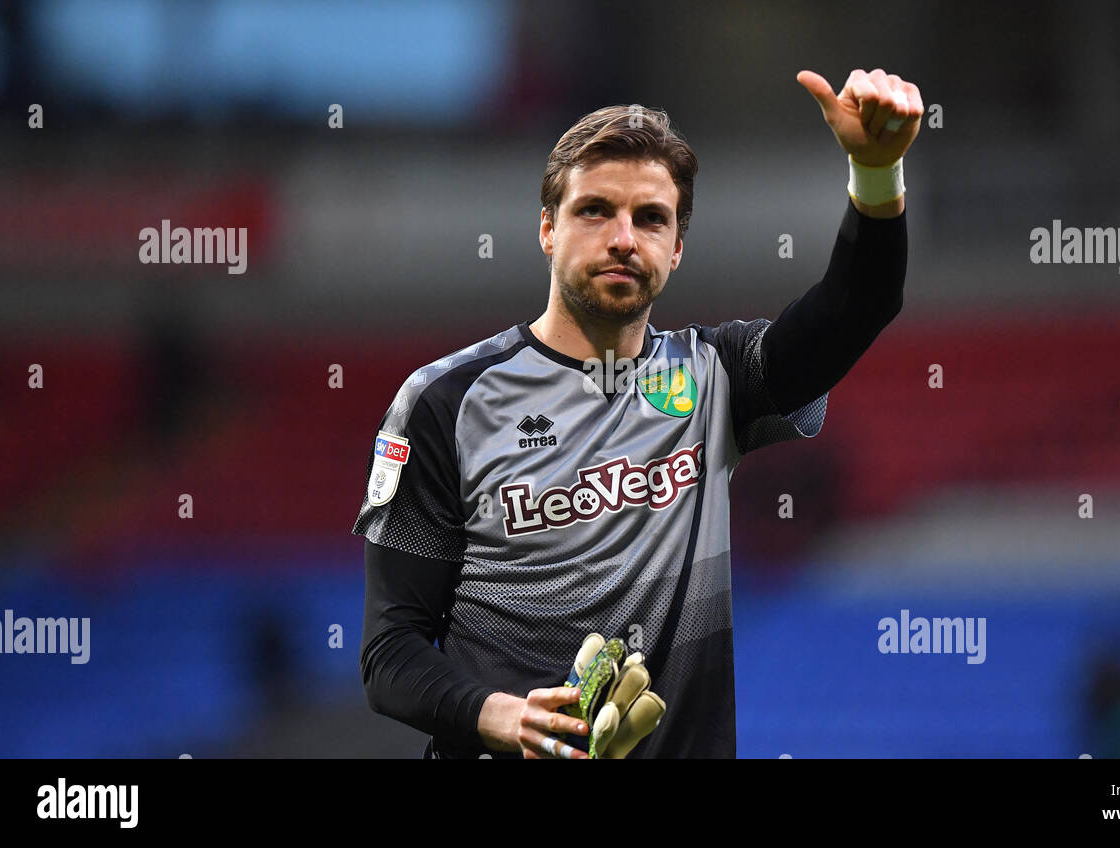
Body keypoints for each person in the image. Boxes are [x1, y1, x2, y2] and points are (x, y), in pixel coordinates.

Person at [354, 67, 923, 758]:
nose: (623, 237)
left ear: (676, 248)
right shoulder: (445, 404)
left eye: (650, 218)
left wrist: (875, 171)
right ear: (547, 229)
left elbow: (854, 307)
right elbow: (390, 654)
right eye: (594, 210)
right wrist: (501, 716)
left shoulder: (715, 377)